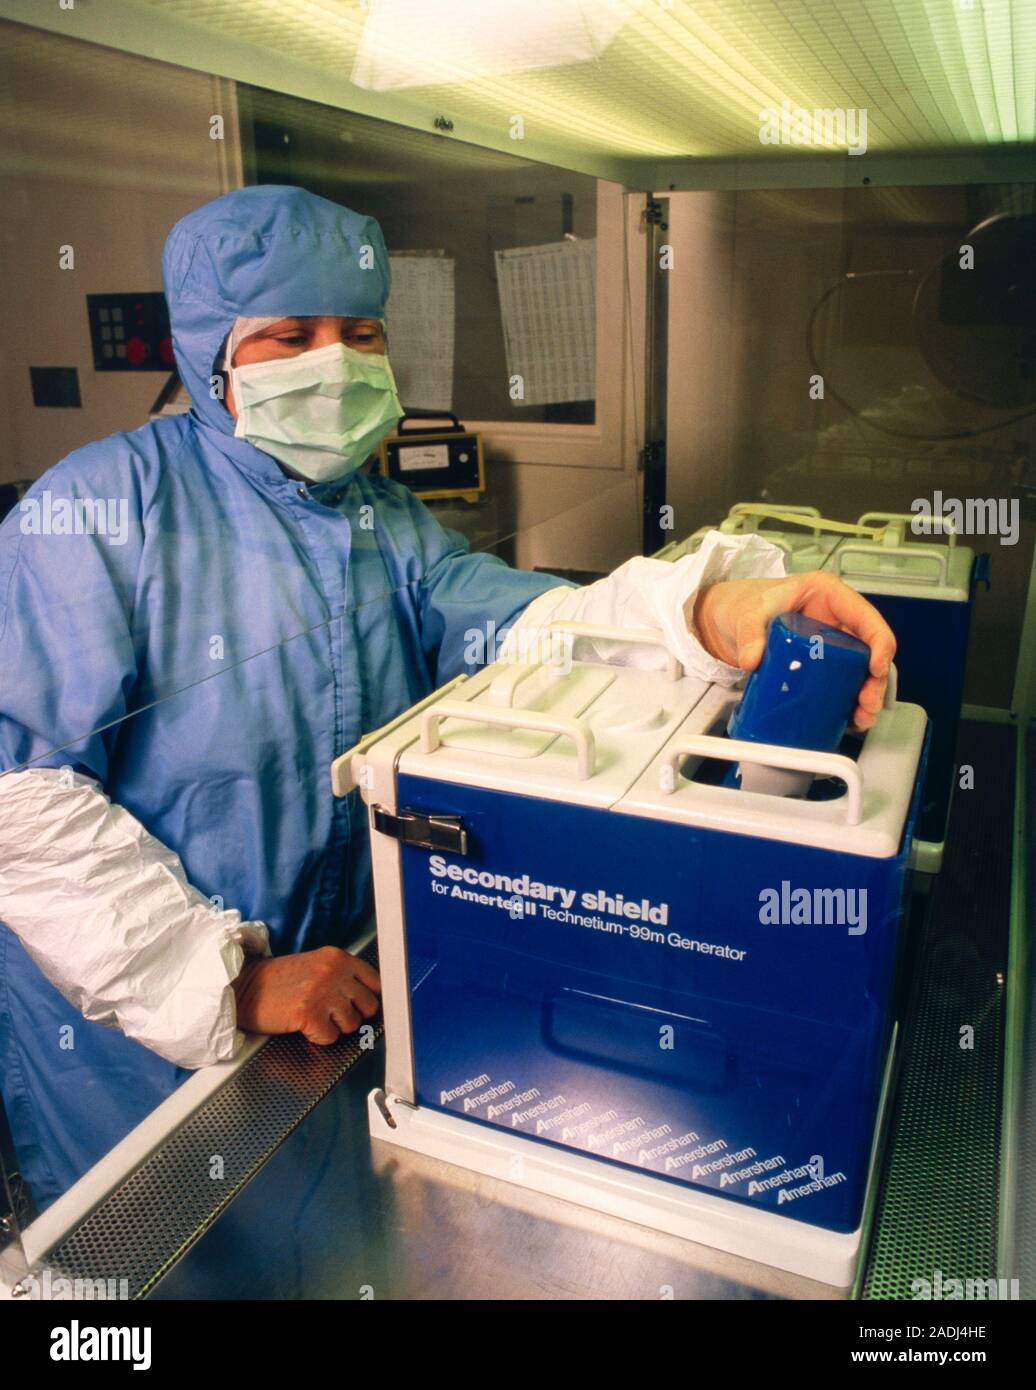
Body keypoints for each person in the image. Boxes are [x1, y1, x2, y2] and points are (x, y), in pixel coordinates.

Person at [0, 185, 894, 1212]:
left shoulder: (378, 515)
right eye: (291, 335)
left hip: (329, 1000)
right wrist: (229, 981)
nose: (334, 364)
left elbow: (515, 622)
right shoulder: (100, 513)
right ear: (208, 352)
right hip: (141, 1056)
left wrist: (710, 611)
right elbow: (21, 797)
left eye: (360, 332)